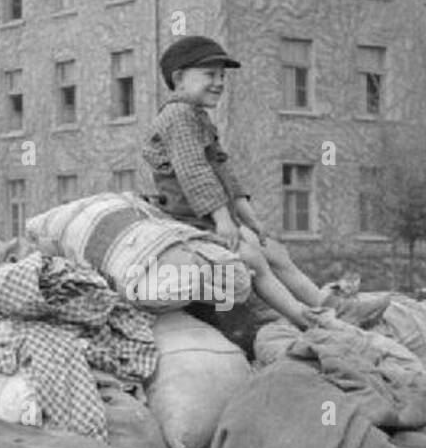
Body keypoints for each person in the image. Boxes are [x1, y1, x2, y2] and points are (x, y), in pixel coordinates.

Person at [142, 35, 387, 329]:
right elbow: (194, 171)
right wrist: (223, 220)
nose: (219, 82)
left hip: (209, 216)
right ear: (179, 78)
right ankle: (307, 319)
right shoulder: (177, 116)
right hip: (189, 218)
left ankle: (331, 306)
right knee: (253, 259)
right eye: (210, 74)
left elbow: (224, 173)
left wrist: (251, 220)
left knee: (275, 251)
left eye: (222, 76)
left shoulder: (198, 117)